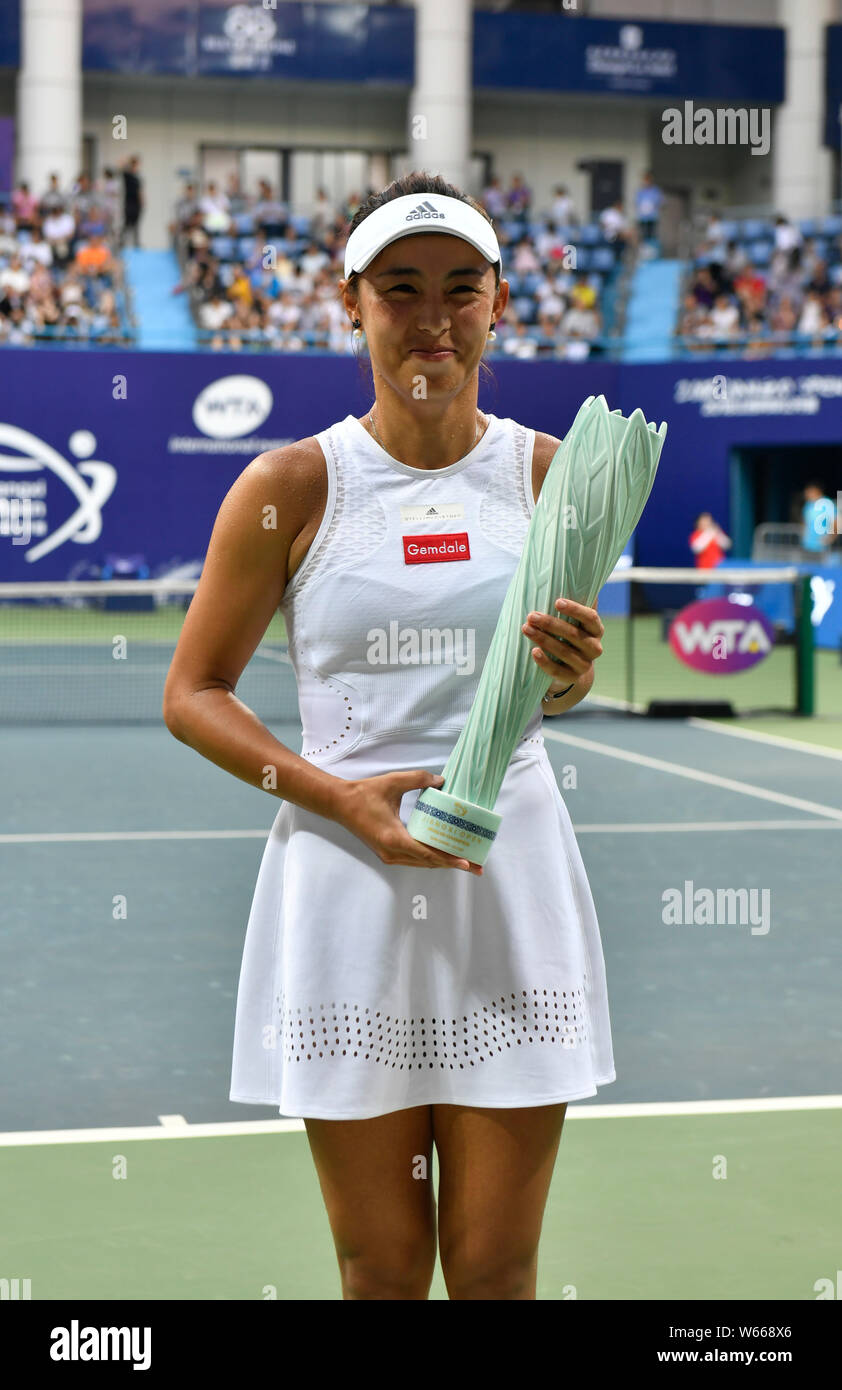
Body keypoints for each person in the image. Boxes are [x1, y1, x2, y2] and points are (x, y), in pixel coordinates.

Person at [162, 169, 614, 1302]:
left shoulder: (555, 475)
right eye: (399, 287)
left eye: (460, 288)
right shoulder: (289, 485)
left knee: (496, 1266)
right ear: (351, 301)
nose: (431, 316)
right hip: (344, 882)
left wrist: (563, 682)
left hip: (508, 884)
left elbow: (542, 696)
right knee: (379, 1269)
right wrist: (340, 798)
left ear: (501, 303)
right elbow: (193, 691)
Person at [801, 483, 837, 563]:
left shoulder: (827, 504)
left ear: (817, 491)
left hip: (822, 546)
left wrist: (830, 538)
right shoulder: (808, 505)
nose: (806, 495)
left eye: (809, 492)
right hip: (807, 545)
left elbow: (835, 523)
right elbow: (805, 522)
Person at [635, 171, 662, 247]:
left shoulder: (655, 190)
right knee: (642, 235)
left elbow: (659, 202)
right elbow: (637, 202)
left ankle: (651, 250)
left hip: (652, 217)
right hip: (643, 218)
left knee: (652, 235)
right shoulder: (640, 191)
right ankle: (643, 250)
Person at [121, 155, 143, 247]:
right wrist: (129, 161)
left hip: (136, 203)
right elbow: (120, 165)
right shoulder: (127, 175)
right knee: (127, 224)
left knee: (136, 224)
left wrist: (142, 201)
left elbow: (140, 191)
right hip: (129, 203)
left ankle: (136, 243)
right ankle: (122, 242)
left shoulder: (138, 177)